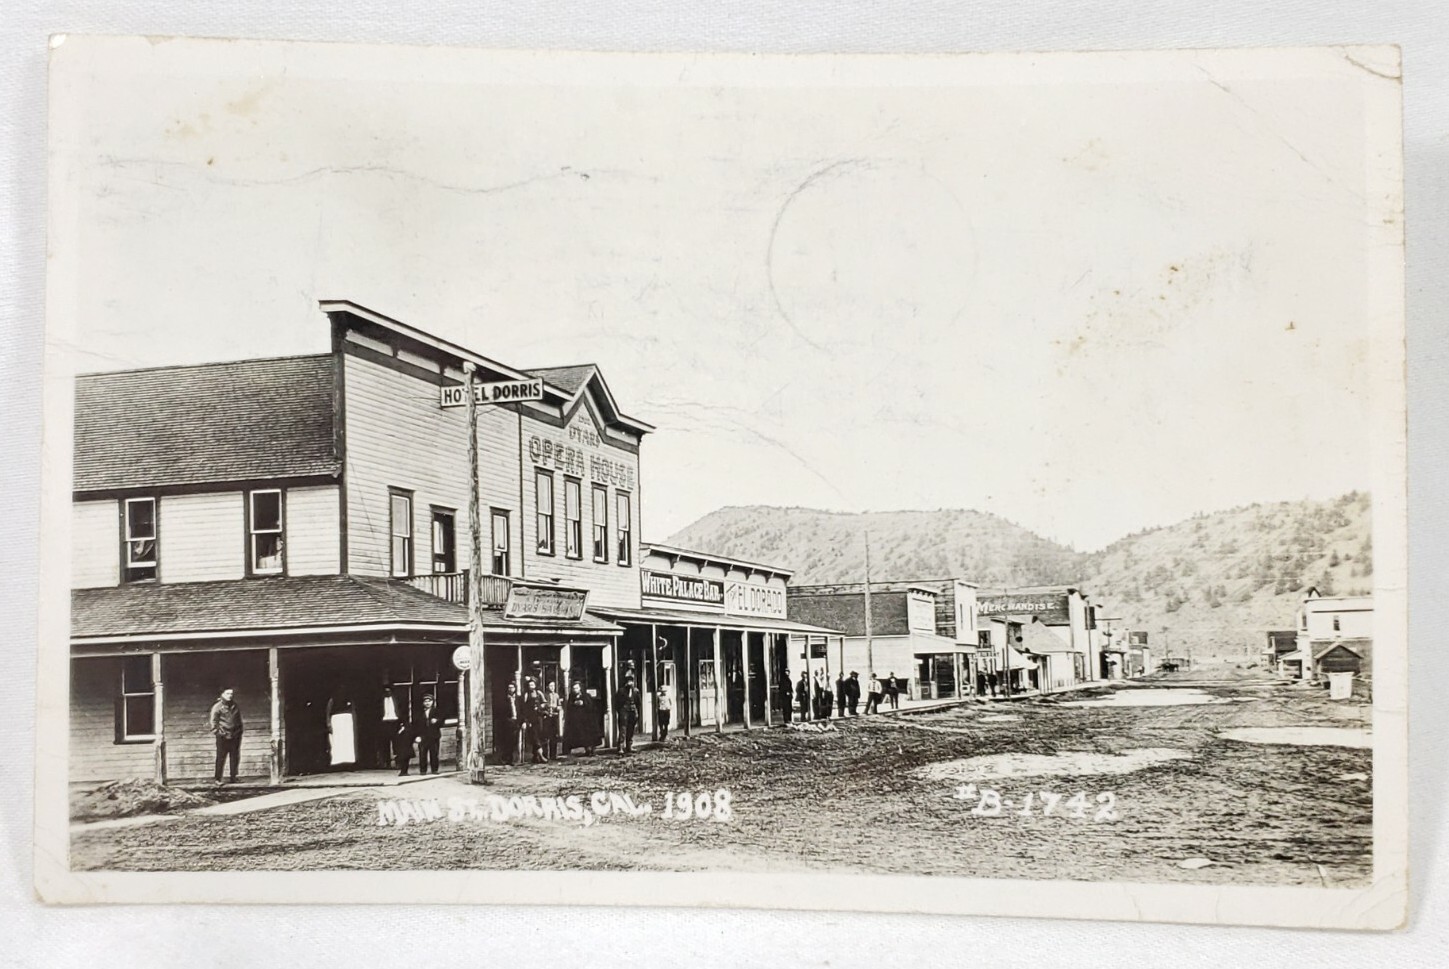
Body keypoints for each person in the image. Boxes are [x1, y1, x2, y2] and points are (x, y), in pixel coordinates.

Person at [209, 687, 244, 785]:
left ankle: (234, 777)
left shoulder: (235, 706)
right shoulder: (217, 707)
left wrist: (239, 731)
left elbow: (238, 720)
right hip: (223, 737)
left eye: (231, 694)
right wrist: (219, 733)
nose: (230, 696)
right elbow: (213, 723)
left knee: (235, 757)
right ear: (222, 694)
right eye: (228, 693)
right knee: (221, 757)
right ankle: (218, 779)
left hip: (235, 736)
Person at [561, 681, 602, 757]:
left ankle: (589, 749)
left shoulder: (586, 696)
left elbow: (591, 706)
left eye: (576, 688)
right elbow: (569, 707)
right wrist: (574, 704)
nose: (575, 690)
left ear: (580, 688)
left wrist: (583, 703)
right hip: (576, 720)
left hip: (586, 720)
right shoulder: (571, 697)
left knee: (588, 735)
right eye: (574, 688)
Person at [413, 693, 443, 775]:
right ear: (423, 703)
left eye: (429, 701)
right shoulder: (419, 713)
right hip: (423, 736)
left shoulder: (436, 711)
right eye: (425, 701)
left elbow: (442, 722)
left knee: (434, 753)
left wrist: (437, 721)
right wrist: (417, 736)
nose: (427, 703)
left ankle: (434, 770)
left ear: (432, 702)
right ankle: (423, 770)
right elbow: (415, 725)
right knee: (422, 754)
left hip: (434, 736)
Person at [521, 678, 548, 764]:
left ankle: (536, 756)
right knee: (534, 736)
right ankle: (541, 755)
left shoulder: (539, 693)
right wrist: (525, 720)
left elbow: (544, 703)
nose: (531, 687)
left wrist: (540, 707)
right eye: (530, 685)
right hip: (530, 718)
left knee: (540, 735)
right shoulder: (526, 695)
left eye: (533, 685)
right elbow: (523, 708)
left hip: (539, 717)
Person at [616, 672, 642, 754]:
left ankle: (629, 746)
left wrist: (637, 711)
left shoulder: (636, 691)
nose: (630, 683)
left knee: (631, 729)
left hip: (633, 711)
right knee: (623, 729)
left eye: (631, 681)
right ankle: (620, 747)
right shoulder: (621, 691)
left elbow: (639, 703)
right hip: (624, 711)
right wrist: (621, 711)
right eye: (628, 681)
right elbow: (617, 703)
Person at [499, 680, 522, 765]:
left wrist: (522, 721)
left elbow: (522, 710)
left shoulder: (518, 699)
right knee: (508, 741)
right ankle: (508, 758)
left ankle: (515, 759)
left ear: (515, 688)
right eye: (509, 688)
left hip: (517, 721)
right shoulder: (505, 699)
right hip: (509, 721)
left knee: (516, 741)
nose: (511, 689)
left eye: (512, 687)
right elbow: (502, 711)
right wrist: (507, 720)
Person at [541, 680, 563, 761]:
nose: (552, 688)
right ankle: (545, 754)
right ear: (547, 687)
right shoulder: (544, 695)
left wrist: (558, 708)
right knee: (546, 736)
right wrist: (546, 708)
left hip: (554, 717)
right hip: (547, 717)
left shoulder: (556, 695)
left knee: (554, 736)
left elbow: (559, 705)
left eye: (553, 686)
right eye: (550, 686)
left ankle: (553, 755)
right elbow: (542, 704)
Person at [655, 675, 673, 741]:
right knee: (661, 723)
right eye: (662, 691)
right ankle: (662, 734)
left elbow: (671, 703)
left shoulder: (668, 696)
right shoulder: (659, 697)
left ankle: (665, 734)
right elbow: (657, 703)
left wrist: (670, 707)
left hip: (666, 710)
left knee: (666, 723)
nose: (664, 692)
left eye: (665, 691)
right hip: (661, 710)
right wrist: (658, 708)